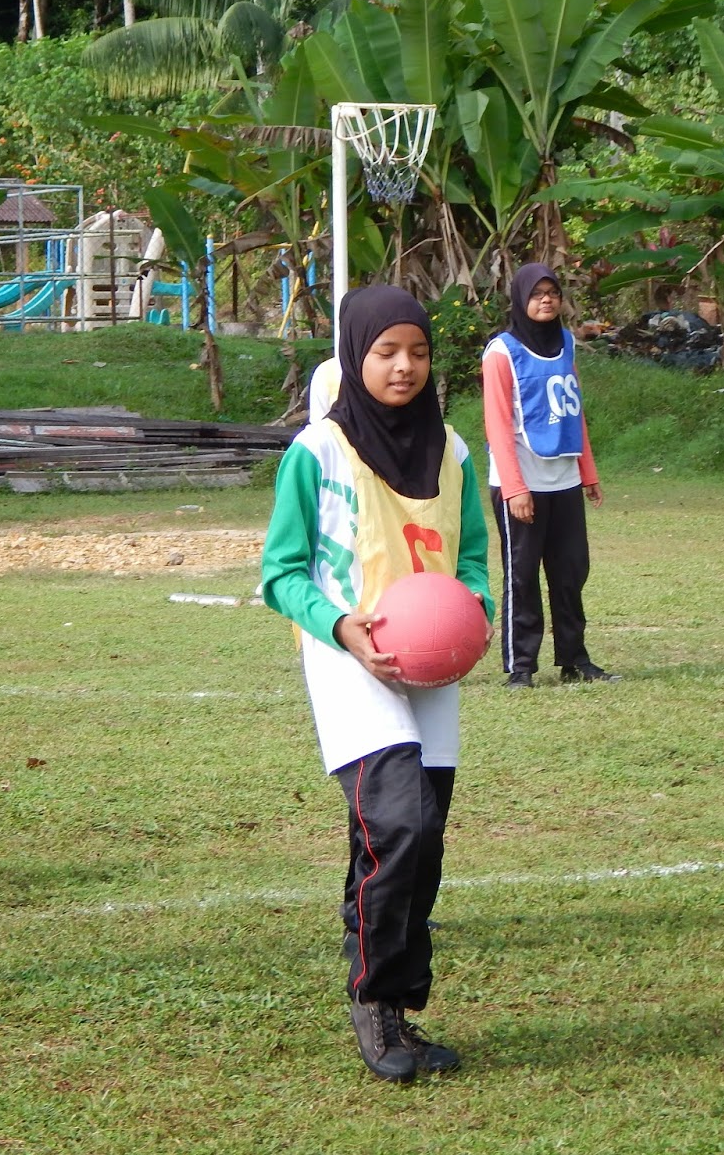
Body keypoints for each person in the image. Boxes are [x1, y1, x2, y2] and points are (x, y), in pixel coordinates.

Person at [260, 285, 494, 1084]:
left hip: (433, 661)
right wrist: (341, 628)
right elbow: (281, 573)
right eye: (386, 351)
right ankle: (377, 1003)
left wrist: (476, 613)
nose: (404, 367)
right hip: (350, 658)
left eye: (419, 352)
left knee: (419, 839)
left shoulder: (455, 451)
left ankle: (392, 985)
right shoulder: (316, 452)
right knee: (399, 825)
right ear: (354, 356)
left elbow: (469, 561)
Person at [482, 263, 616, 688]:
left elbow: (575, 414)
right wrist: (516, 487)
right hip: (521, 482)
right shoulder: (501, 351)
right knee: (522, 575)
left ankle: (575, 660)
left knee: (571, 571)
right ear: (521, 299)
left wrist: (587, 472)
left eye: (552, 292)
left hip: (564, 480)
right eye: (537, 293)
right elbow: (498, 425)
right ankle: (521, 667)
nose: (546, 299)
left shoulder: (567, 343)